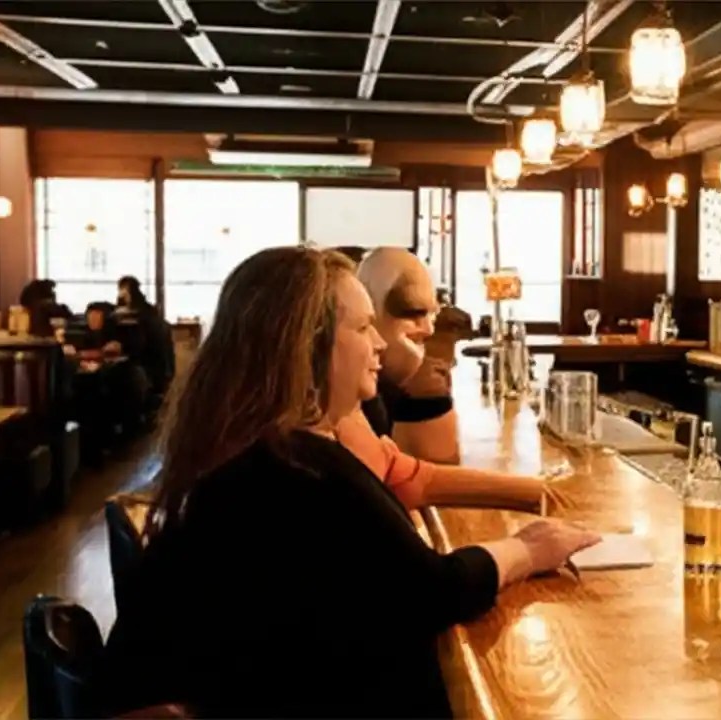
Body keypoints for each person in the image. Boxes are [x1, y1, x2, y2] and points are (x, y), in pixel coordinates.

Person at [101, 247, 599, 717]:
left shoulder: (246, 445)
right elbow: (434, 591)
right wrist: (529, 550)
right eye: (363, 327)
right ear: (305, 348)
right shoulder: (296, 467)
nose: (381, 342)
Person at [355, 247, 462, 463]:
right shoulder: (343, 400)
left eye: (433, 315)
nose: (429, 329)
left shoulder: (380, 392)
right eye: (412, 312)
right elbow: (424, 481)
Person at [115, 276, 175, 398]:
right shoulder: (147, 310)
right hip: (159, 368)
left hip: (149, 367)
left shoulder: (139, 315)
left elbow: (138, 346)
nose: (120, 293)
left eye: (123, 290)